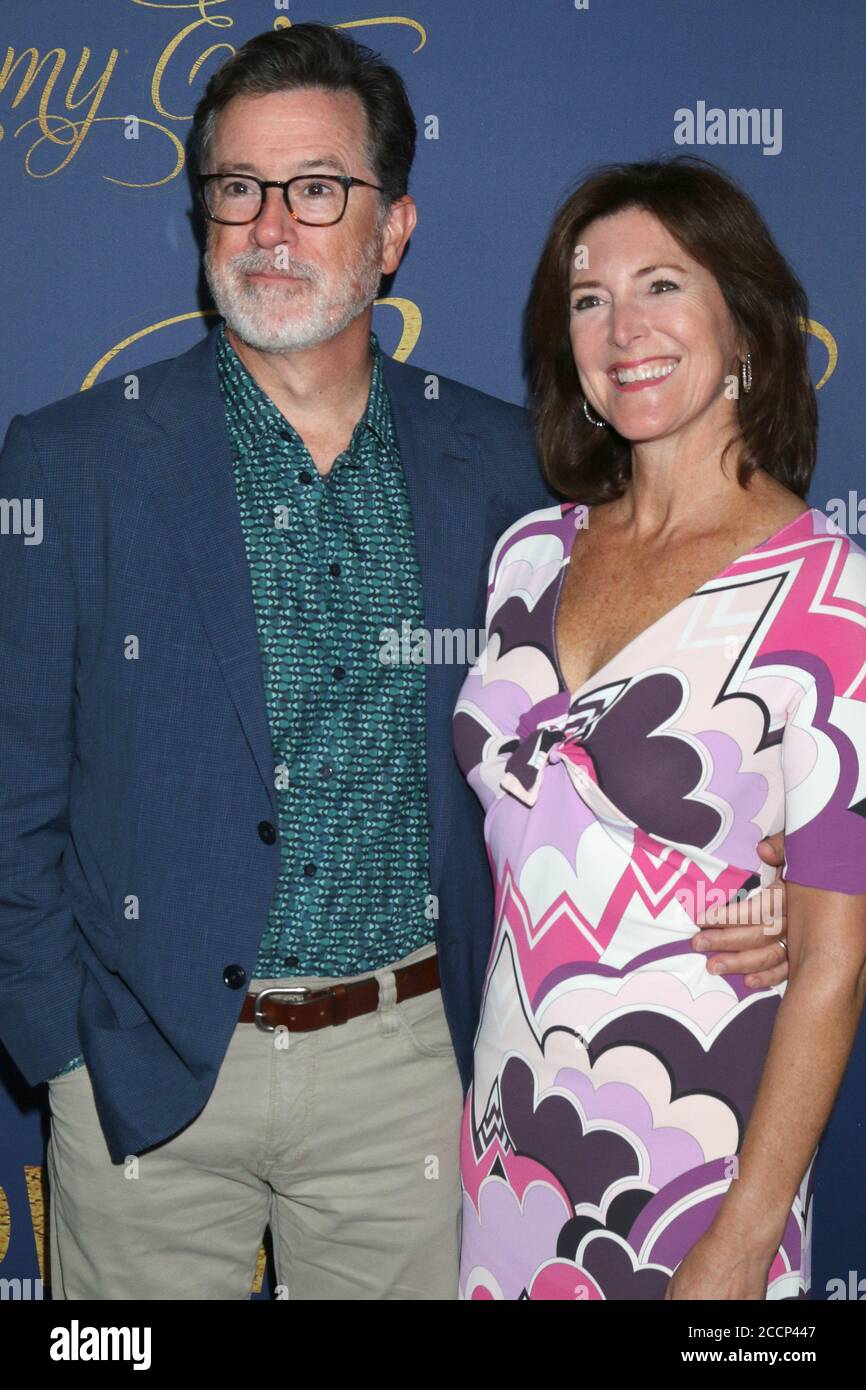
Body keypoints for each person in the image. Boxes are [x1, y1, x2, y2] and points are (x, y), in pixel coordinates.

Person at [0, 27, 788, 1302]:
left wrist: (770, 859)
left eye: (317, 191)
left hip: (414, 1080)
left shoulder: (512, 475)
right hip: (138, 1079)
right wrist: (63, 1057)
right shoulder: (72, 463)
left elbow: (675, 703)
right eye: (237, 191)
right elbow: (10, 790)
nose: (271, 228)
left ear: (393, 228)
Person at [454, 155, 866, 1301]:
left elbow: (832, 962)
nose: (621, 326)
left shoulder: (829, 599)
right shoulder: (527, 553)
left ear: (741, 324)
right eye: (588, 298)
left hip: (704, 1157)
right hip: (510, 1140)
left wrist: (740, 1240)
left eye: (661, 285)